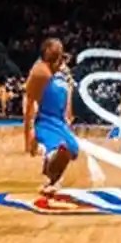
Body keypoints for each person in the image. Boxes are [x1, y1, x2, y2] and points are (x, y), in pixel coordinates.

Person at [24, 38, 79, 196]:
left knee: (73, 148)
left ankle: (53, 172)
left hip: (60, 121)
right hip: (45, 121)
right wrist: (29, 135)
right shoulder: (39, 72)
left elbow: (68, 95)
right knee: (56, 148)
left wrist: (69, 117)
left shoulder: (63, 72)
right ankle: (52, 171)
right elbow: (29, 104)